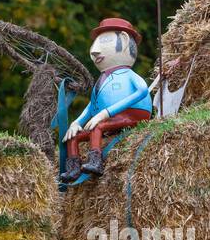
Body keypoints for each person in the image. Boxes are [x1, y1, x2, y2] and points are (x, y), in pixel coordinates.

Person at [61, 18, 152, 183]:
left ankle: (96, 161)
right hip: (110, 119)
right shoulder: (101, 80)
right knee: (74, 137)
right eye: (95, 44)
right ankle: (73, 169)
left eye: (104, 42)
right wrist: (77, 122)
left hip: (133, 114)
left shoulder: (129, 75)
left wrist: (105, 113)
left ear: (124, 41)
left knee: (98, 127)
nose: (94, 51)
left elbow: (142, 91)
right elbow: (92, 105)